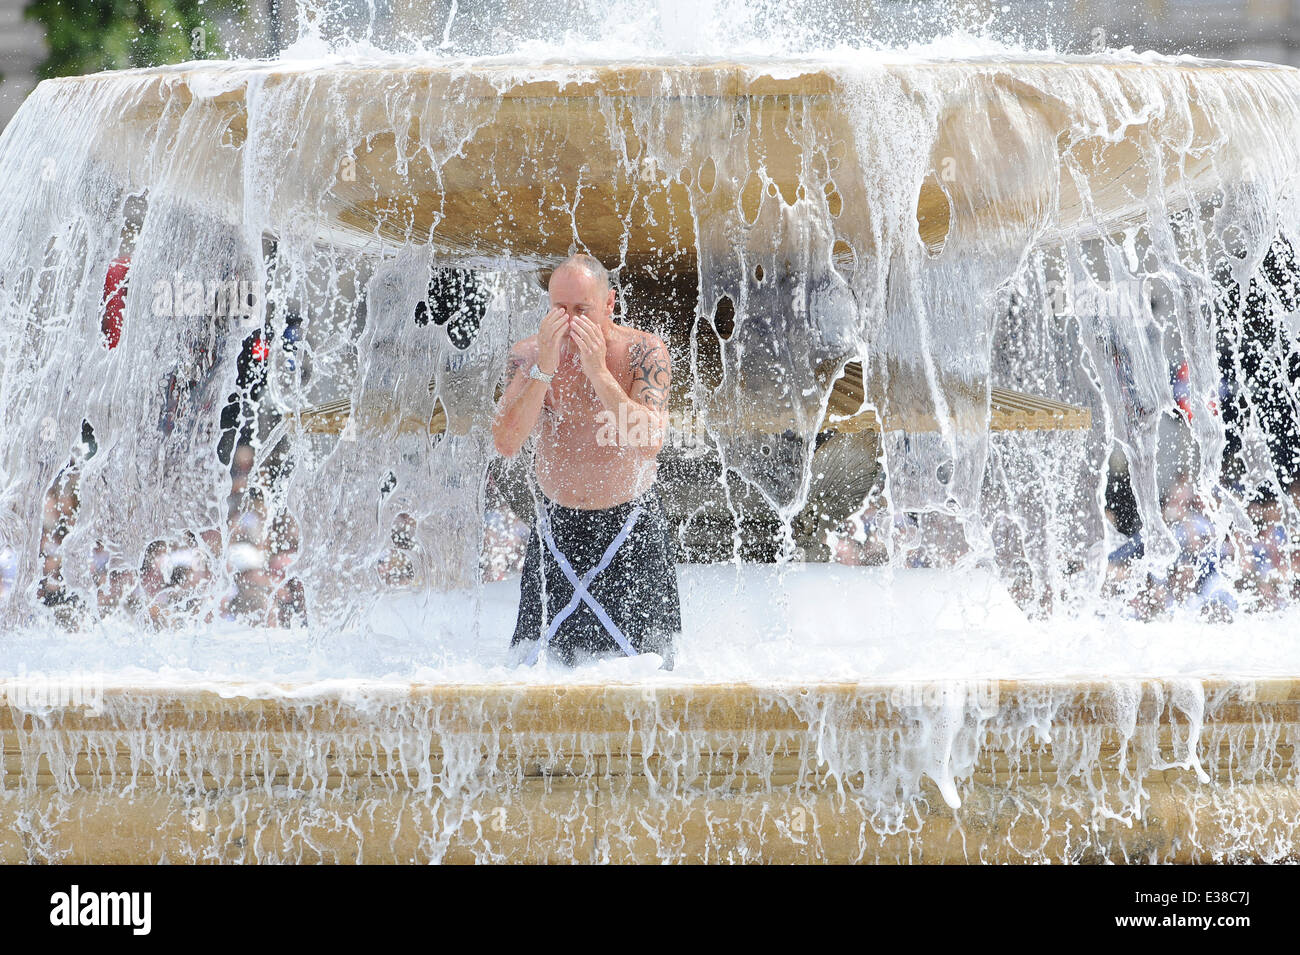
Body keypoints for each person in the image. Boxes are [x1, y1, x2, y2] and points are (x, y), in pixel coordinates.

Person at [493, 253, 681, 668]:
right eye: (560, 309)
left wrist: (598, 372)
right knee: (537, 670)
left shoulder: (643, 353)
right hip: (558, 528)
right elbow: (506, 441)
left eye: (583, 310)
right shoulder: (528, 356)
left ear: (609, 304)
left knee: (653, 671)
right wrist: (545, 368)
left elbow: (648, 441)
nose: (570, 321)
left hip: (632, 526)